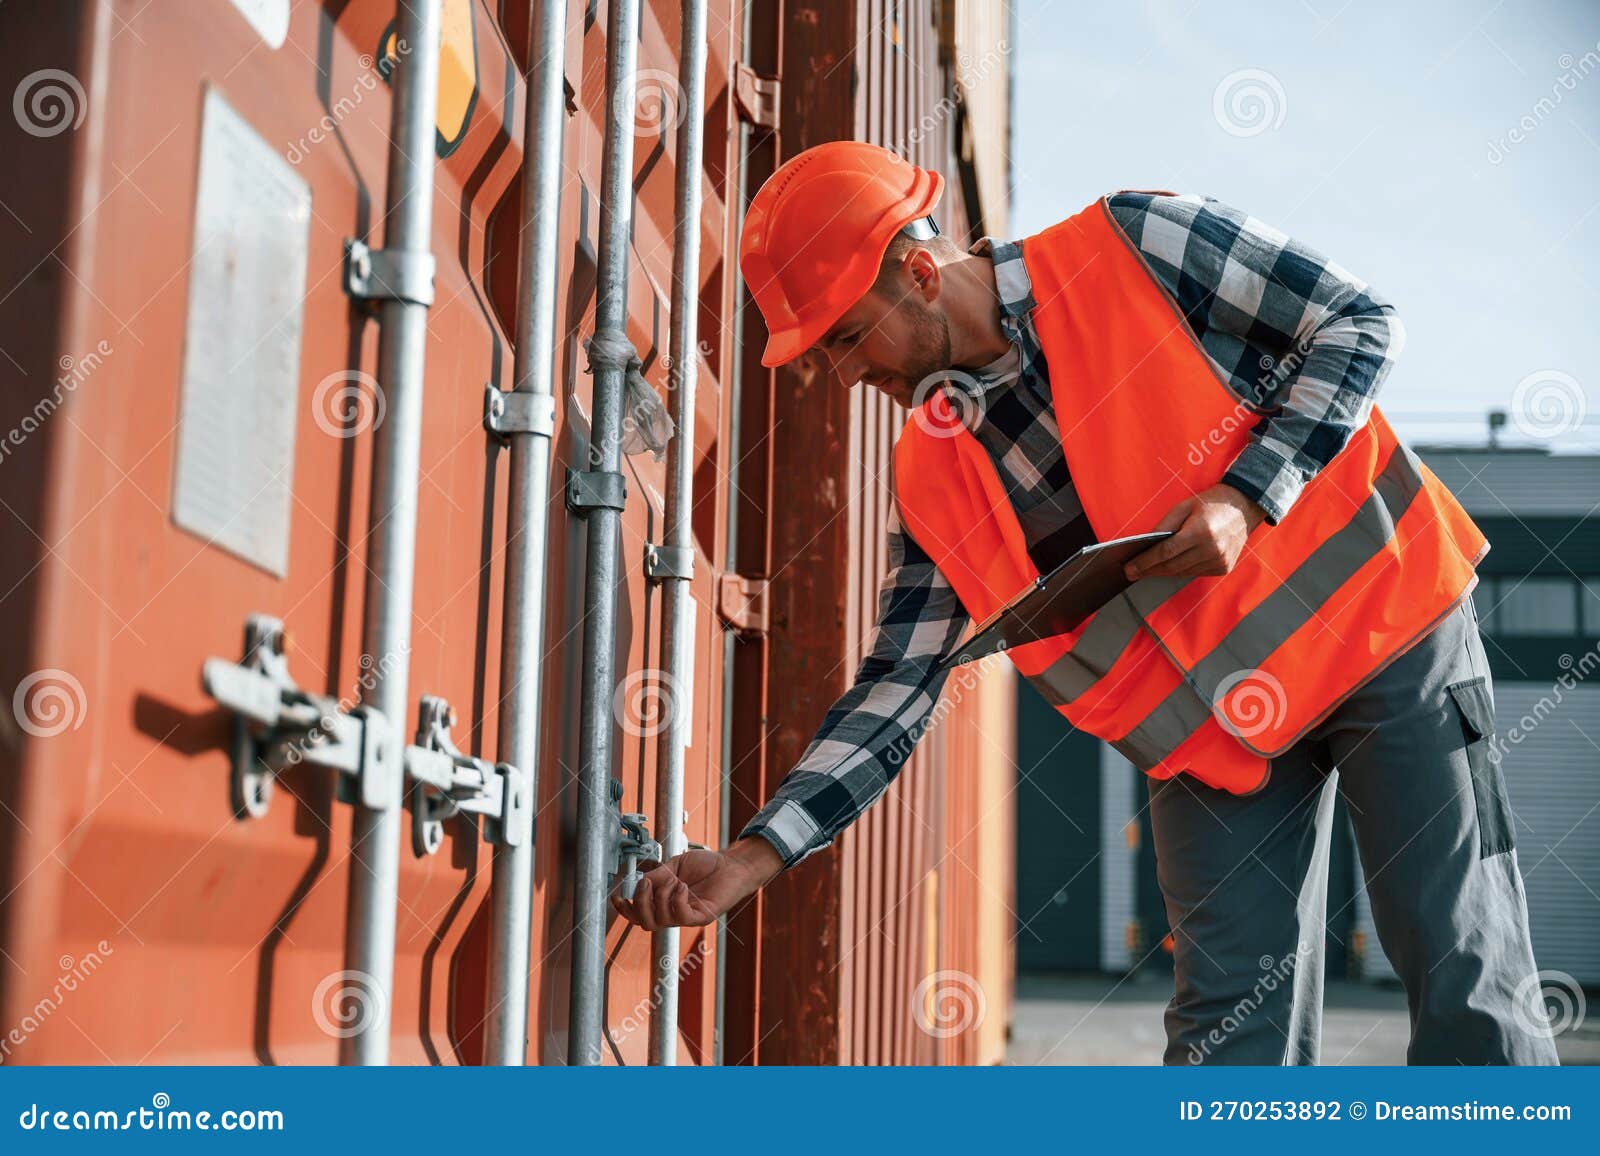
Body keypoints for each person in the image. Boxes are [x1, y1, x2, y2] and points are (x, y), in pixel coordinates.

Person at [610, 140, 1558, 1066]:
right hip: (1216, 744)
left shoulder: (1137, 244)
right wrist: (752, 857)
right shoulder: (932, 469)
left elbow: (1357, 323)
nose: (850, 374)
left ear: (921, 270)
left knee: (1461, 965)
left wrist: (1249, 493)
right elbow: (895, 687)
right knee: (1226, 1031)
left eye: (850, 336)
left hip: (1385, 627)